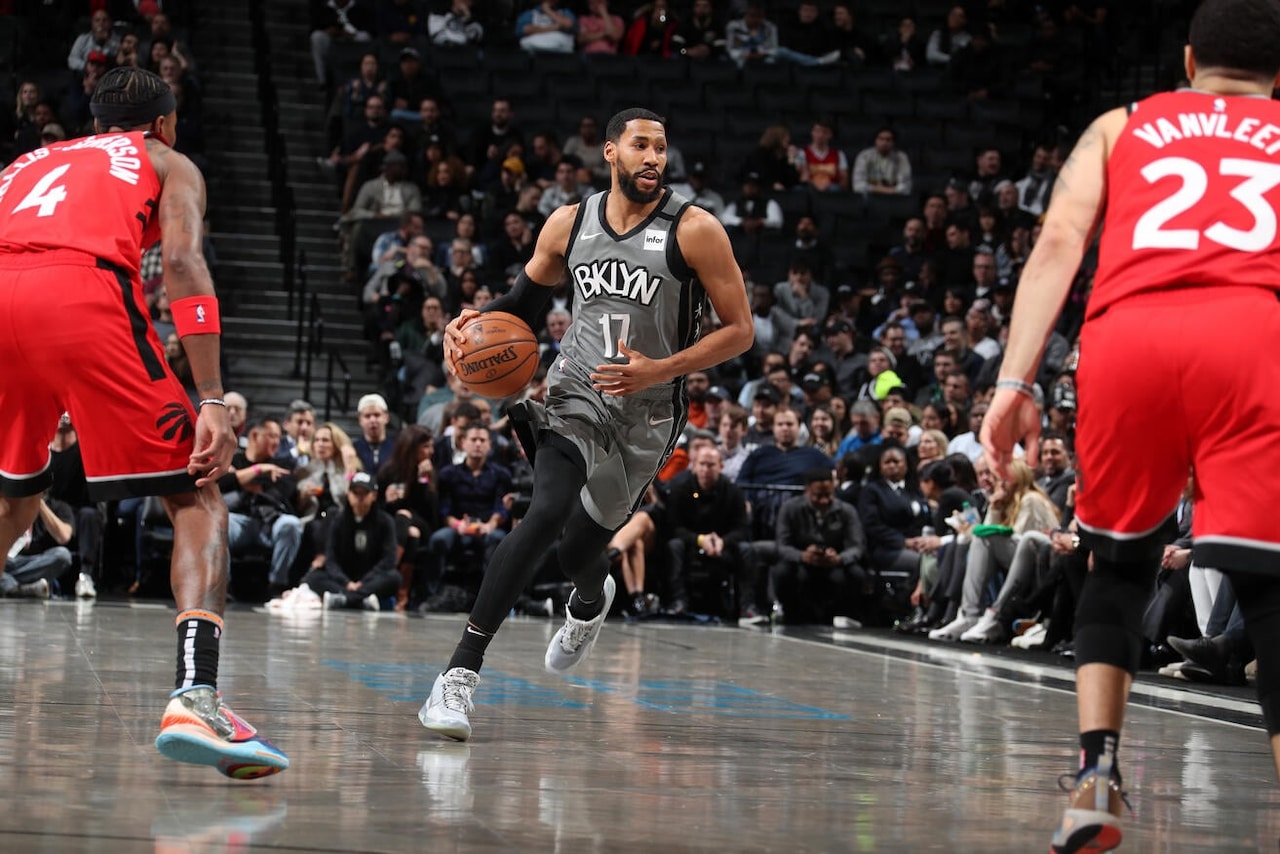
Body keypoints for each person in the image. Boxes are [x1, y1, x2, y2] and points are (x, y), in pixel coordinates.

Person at [980, 3, 1280, 850]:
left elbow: (1059, 240)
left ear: (1189, 59)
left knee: (1116, 565)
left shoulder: (1124, 123)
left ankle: (1096, 781)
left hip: (1130, 336)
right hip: (1253, 331)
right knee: (1269, 586)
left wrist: (1013, 380)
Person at [420, 108, 754, 741]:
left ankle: (591, 596)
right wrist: (472, 321)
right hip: (576, 387)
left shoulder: (696, 230)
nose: (654, 157)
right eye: (641, 145)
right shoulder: (570, 224)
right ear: (610, 152)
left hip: (649, 412)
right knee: (544, 512)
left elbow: (740, 331)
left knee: (579, 549)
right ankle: (458, 676)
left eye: (662, 147)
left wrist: (659, 371)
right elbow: (523, 303)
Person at [0, 67, 287, 776]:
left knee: (16, 499)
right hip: (81, 295)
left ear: (97, 122)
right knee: (196, 493)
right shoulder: (164, 158)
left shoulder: (26, 161)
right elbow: (183, 262)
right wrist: (213, 396)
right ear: (164, 121)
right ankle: (196, 694)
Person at [305, 472, 399, 611]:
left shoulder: (385, 522)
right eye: (355, 493)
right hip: (344, 578)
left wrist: (363, 582)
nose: (359, 498)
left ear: (373, 495)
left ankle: (344, 599)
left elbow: (388, 560)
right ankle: (361, 600)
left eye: (364, 493)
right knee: (314, 577)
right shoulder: (338, 521)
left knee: (394, 578)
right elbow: (331, 559)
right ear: (348, 495)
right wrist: (346, 582)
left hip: (370, 578)